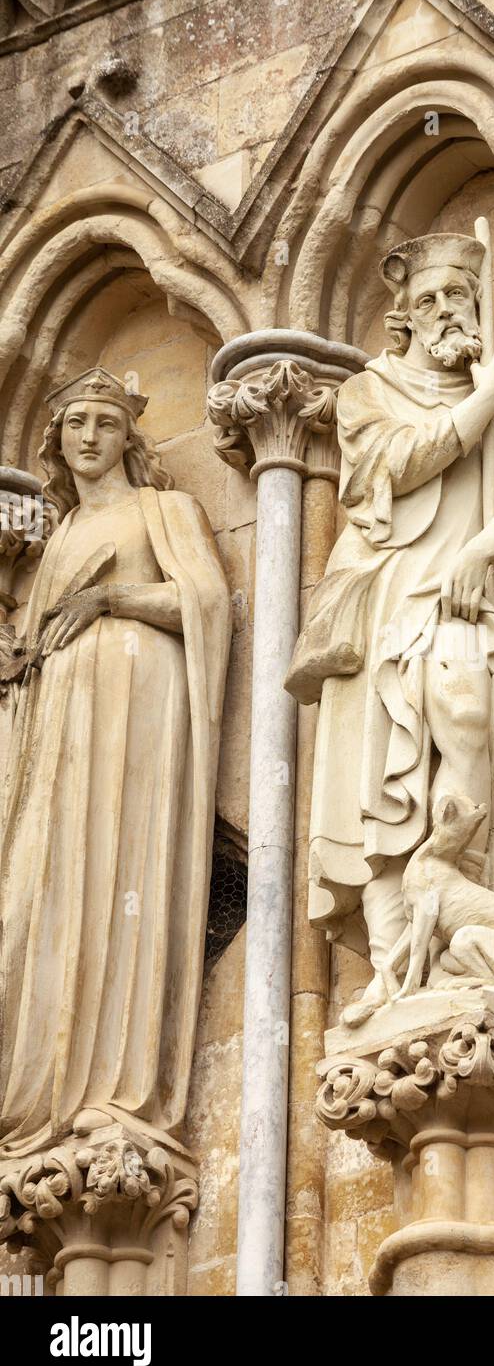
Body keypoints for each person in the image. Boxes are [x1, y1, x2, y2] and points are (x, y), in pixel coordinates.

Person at [286, 233, 494, 1024]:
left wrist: (483, 548)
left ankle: (456, 951)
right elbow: (388, 471)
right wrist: (480, 402)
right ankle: (393, 975)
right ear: (404, 318)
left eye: (461, 298)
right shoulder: (369, 394)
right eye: (430, 301)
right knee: (376, 799)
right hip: (379, 611)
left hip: (455, 615)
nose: (448, 313)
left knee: (460, 747)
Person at [0, 367, 231, 1156]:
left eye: (104, 422)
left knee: (120, 871)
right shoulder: (56, 536)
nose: (89, 437)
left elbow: (201, 603)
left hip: (137, 705)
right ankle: (46, 1078)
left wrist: (109, 601)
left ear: (128, 436)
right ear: (57, 442)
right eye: (75, 426)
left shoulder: (161, 510)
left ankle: (112, 1084)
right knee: (47, 882)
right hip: (58, 721)